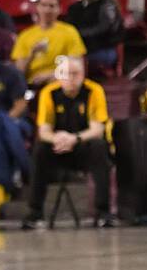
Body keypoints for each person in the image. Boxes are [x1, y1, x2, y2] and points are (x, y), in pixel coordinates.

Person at [22, 55, 113, 228]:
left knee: (99, 147)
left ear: (83, 74)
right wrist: (57, 138)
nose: (71, 78)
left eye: (75, 74)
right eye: (66, 73)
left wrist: (74, 138)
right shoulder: (49, 93)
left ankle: (103, 213)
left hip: (83, 146)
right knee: (40, 149)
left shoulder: (94, 91)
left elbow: (98, 129)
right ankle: (35, 212)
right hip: (59, 148)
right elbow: (44, 131)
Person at [11, 0, 87, 87]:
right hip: (31, 86)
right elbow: (18, 73)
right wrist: (32, 54)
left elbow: (77, 66)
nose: (47, 10)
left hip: (61, 85)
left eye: (52, 6)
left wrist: (50, 75)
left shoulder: (70, 31)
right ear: (37, 7)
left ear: (59, 9)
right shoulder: (25, 36)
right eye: (43, 5)